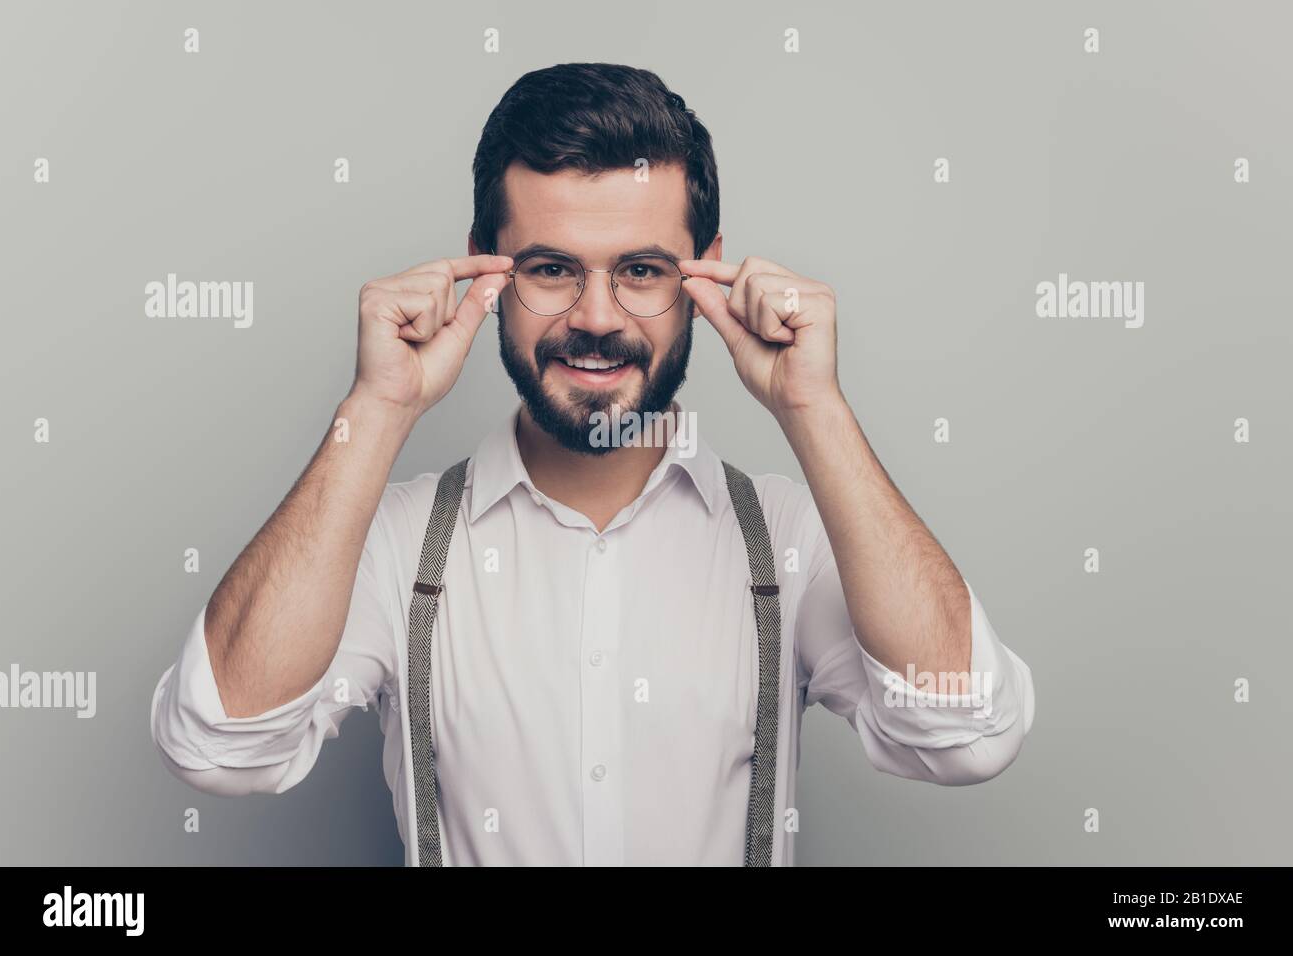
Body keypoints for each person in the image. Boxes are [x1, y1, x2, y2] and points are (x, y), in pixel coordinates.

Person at [150, 62, 1035, 866]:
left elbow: (965, 734)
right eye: (550, 269)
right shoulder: (396, 545)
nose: (598, 317)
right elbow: (221, 745)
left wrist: (816, 408)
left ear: (705, 275)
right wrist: (375, 410)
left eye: (643, 269)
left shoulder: (788, 538)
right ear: (487, 273)